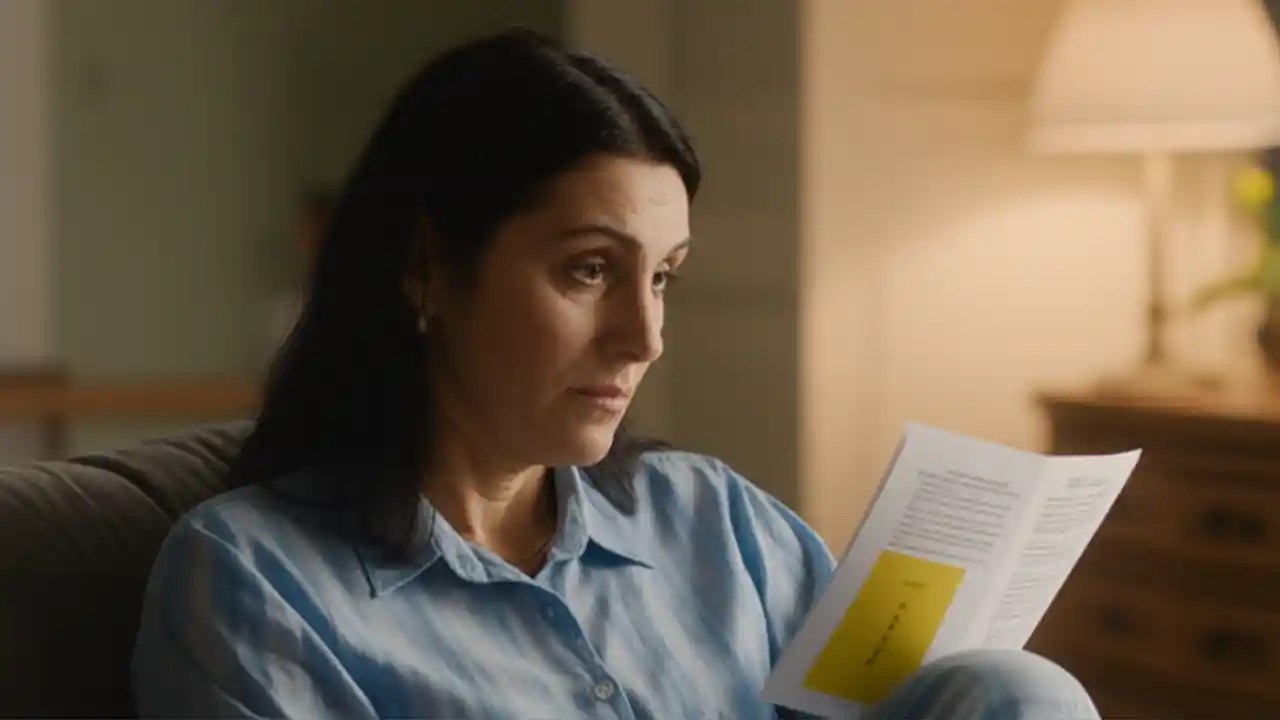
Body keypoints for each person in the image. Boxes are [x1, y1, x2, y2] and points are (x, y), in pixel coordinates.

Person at [131, 28, 1100, 720]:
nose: (644, 337)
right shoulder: (254, 577)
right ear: (425, 266)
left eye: (663, 276)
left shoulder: (719, 523)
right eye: (589, 270)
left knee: (1018, 689)